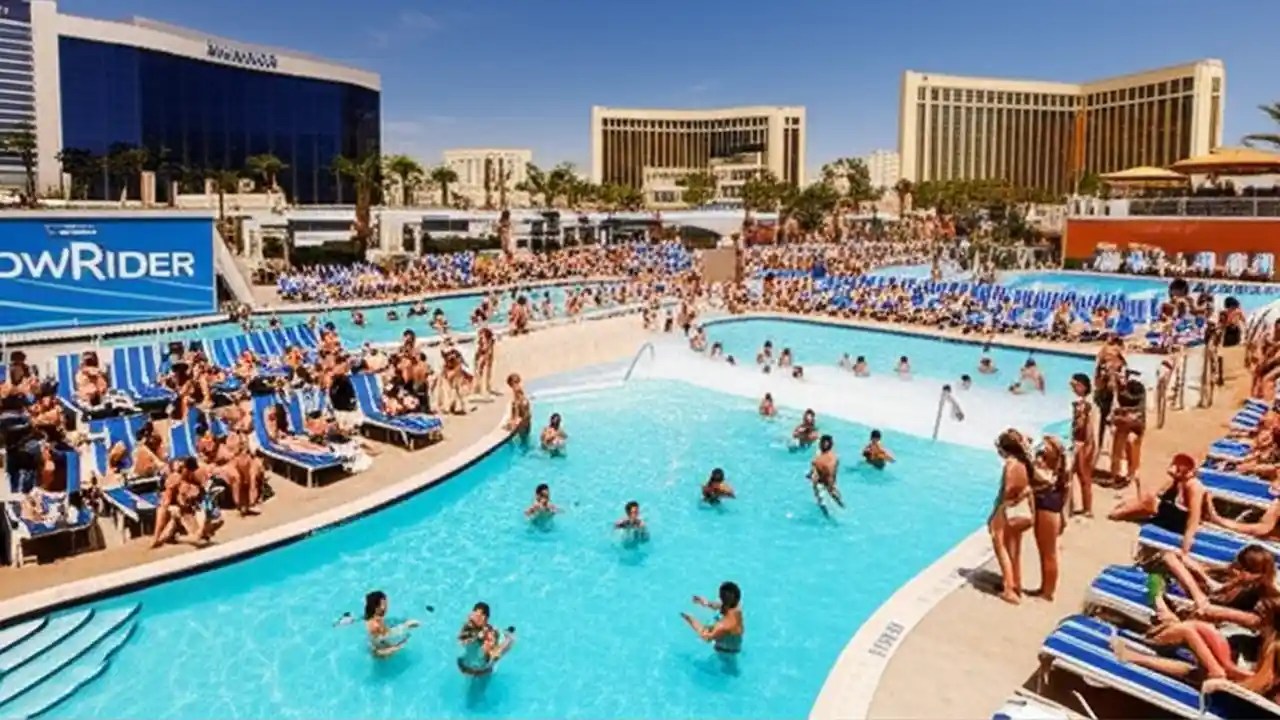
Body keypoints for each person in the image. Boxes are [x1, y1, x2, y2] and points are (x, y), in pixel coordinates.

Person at [990, 429, 1034, 604]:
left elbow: (1007, 491)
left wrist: (996, 512)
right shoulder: (1024, 463)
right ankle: (1016, 584)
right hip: (1021, 511)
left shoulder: (1011, 465)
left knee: (1000, 547)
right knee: (1014, 548)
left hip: (1007, 510)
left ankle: (1009, 589)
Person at [1030, 436, 1069, 601]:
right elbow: (1066, 494)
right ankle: (1045, 588)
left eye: (1044, 451)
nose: (1040, 455)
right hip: (1052, 507)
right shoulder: (1059, 472)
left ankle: (1047, 592)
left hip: (1047, 508)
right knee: (1046, 552)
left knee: (1048, 552)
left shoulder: (1047, 473)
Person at [680, 582, 744, 655]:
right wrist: (707, 603)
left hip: (725, 655)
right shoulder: (737, 608)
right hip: (734, 647)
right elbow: (722, 606)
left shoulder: (724, 626)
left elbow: (707, 638)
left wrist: (691, 620)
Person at [457, 602, 515, 676]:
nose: (476, 618)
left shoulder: (489, 634)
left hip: (481, 671)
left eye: (479, 616)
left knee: (508, 641)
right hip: (466, 666)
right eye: (475, 615)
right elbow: (461, 640)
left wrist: (491, 650)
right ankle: (506, 633)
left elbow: (492, 654)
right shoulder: (468, 627)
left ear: (486, 618)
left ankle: (507, 634)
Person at [1069, 373, 1097, 517]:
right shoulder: (1079, 403)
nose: (1072, 388)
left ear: (1082, 387)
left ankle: (1087, 508)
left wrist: (1088, 445)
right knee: (1070, 475)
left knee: (1083, 477)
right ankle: (1072, 506)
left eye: (1075, 385)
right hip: (1076, 442)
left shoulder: (1087, 405)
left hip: (1083, 443)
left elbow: (1090, 428)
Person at [364, 590, 419, 658]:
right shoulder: (376, 626)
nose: (387, 606)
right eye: (384, 604)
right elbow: (377, 653)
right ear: (376, 608)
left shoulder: (373, 619)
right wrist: (398, 647)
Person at [809, 435, 844, 514]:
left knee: (824, 501)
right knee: (833, 497)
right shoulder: (832, 457)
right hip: (827, 482)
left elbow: (816, 475)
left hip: (824, 481)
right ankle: (842, 507)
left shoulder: (822, 459)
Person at [503, 373, 532, 446]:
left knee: (521, 440)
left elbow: (517, 407)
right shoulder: (520, 392)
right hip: (527, 417)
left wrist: (514, 421)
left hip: (524, 418)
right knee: (525, 439)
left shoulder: (517, 391)